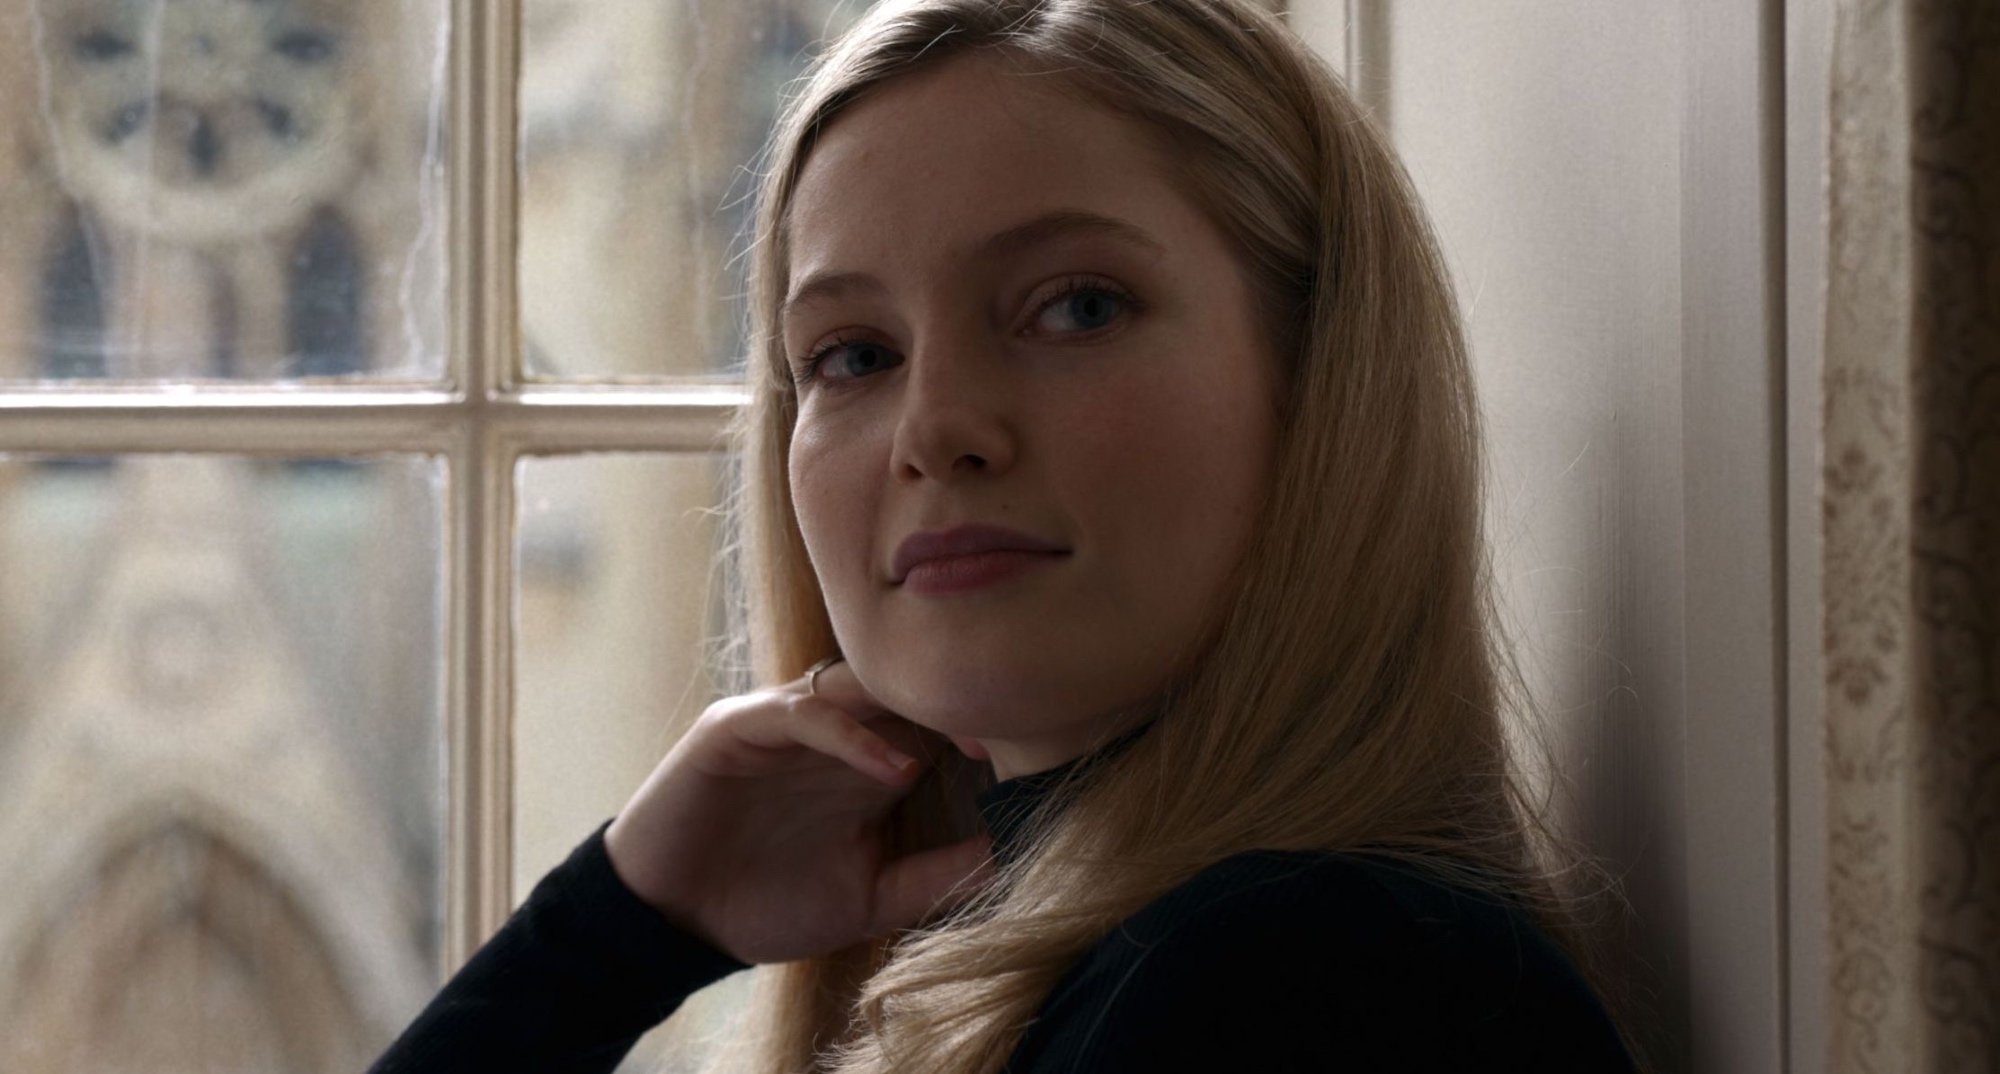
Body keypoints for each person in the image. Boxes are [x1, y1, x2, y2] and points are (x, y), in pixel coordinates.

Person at [368, 0, 1647, 1071]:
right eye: (852, 354)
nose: (935, 428)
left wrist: (607, 939)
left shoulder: (1307, 977)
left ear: (1321, 375)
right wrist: (634, 914)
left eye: (1075, 307)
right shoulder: (1190, 962)